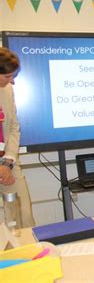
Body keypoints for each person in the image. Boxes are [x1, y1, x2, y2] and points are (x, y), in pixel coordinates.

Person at [0, 47, 35, 228]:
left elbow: (14, 126)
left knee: (23, 216)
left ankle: (28, 254)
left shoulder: (7, 90)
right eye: (7, 76)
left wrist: (7, 163)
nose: (12, 81)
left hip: (8, 161)